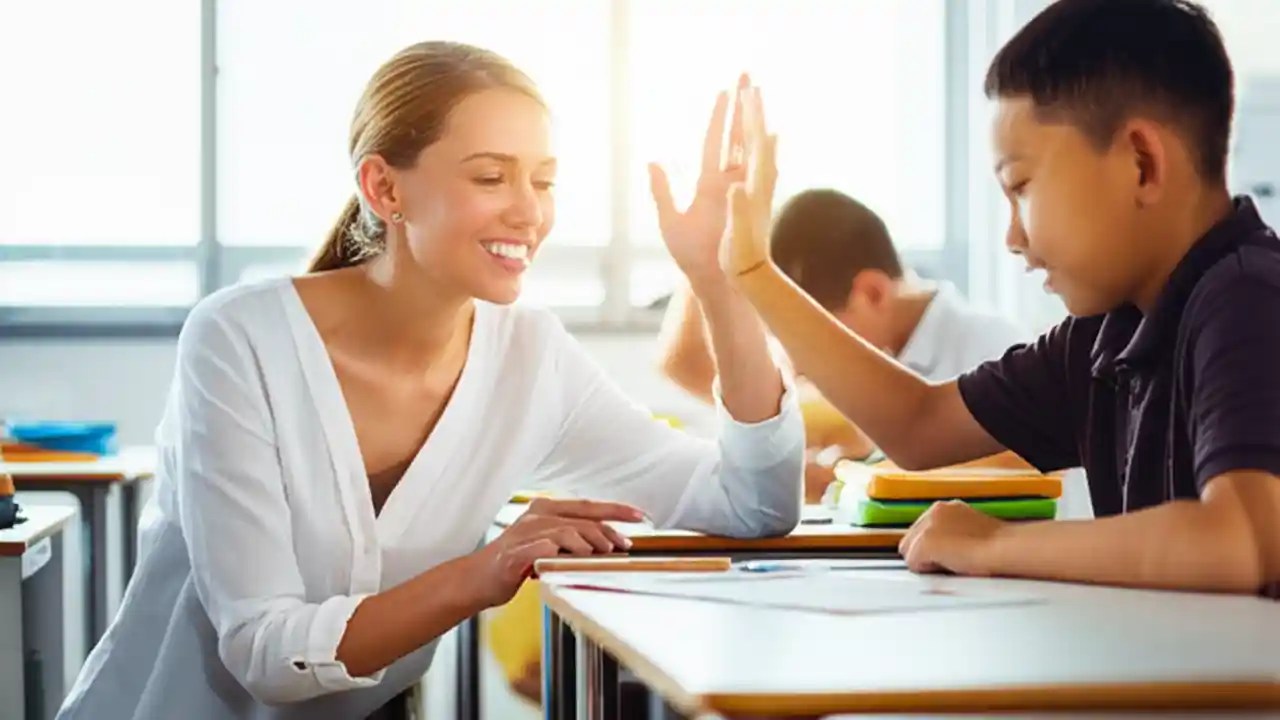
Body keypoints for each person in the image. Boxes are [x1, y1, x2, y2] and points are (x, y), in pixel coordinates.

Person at [57, 42, 803, 719]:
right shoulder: (239, 337)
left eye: (543, 181)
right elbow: (266, 653)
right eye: (491, 176)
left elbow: (751, 503)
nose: (529, 210)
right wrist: (482, 571)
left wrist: (720, 277)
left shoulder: (530, 355)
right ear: (384, 188)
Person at [723, 0, 1280, 596]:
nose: (1012, 237)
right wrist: (754, 271)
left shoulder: (1247, 297)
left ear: (1141, 163)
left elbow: (1246, 541)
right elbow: (918, 426)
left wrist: (994, 544)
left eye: (1021, 186)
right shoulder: (1106, 334)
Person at [657, 188, 1027, 500]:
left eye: (808, 335)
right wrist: (713, 246)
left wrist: (848, 477)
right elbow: (689, 365)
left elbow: (1019, 470)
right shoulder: (885, 356)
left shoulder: (990, 347)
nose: (800, 365)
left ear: (872, 293)